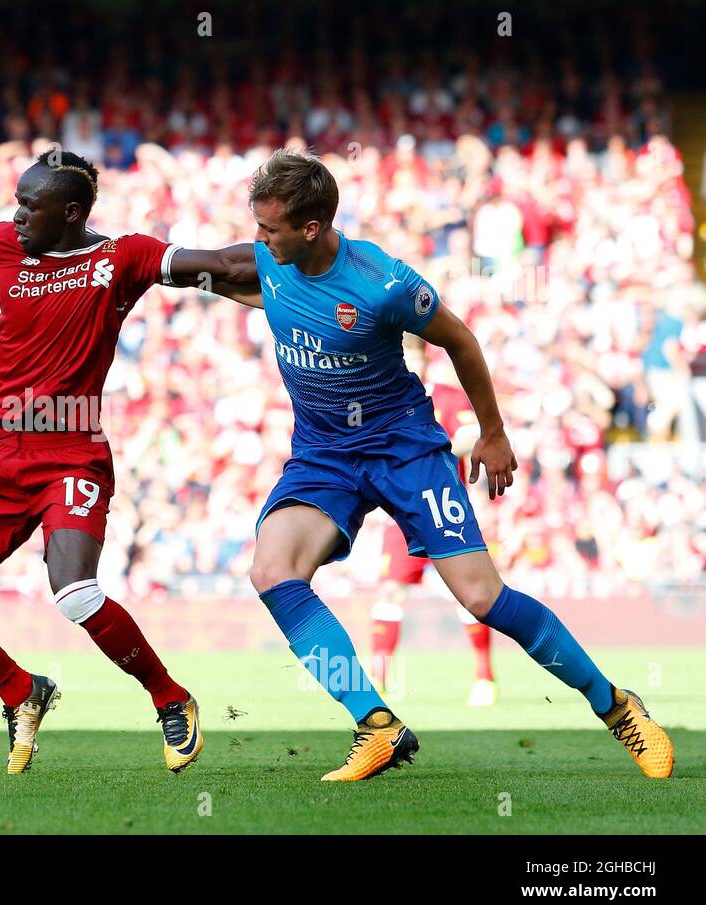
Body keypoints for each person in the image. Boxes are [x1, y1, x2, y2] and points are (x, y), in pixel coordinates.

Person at [213, 149, 673, 781]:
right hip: (324, 454)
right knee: (272, 570)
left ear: (311, 227)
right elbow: (178, 265)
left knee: (484, 598)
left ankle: (617, 706)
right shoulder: (267, 264)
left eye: (269, 228)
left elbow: (460, 341)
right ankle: (376, 724)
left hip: (405, 448)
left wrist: (493, 433)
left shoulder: (384, 283)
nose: (258, 239)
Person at [0, 148, 255, 774]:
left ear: (69, 213)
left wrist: (319, 260)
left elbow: (222, 263)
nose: (14, 219)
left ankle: (171, 699)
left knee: (74, 591)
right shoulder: (9, 247)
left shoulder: (123, 256)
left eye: (28, 207)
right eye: (15, 203)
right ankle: (20, 690)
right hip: (4, 452)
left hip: (72, 453)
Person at [370, 337, 497, 707]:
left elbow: (473, 433)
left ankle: (484, 677)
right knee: (390, 593)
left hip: (445, 510)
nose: (407, 365)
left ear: (425, 359)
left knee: (471, 596)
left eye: (413, 358)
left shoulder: (447, 396)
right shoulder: (381, 398)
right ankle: (378, 679)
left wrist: (445, 442)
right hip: (401, 514)